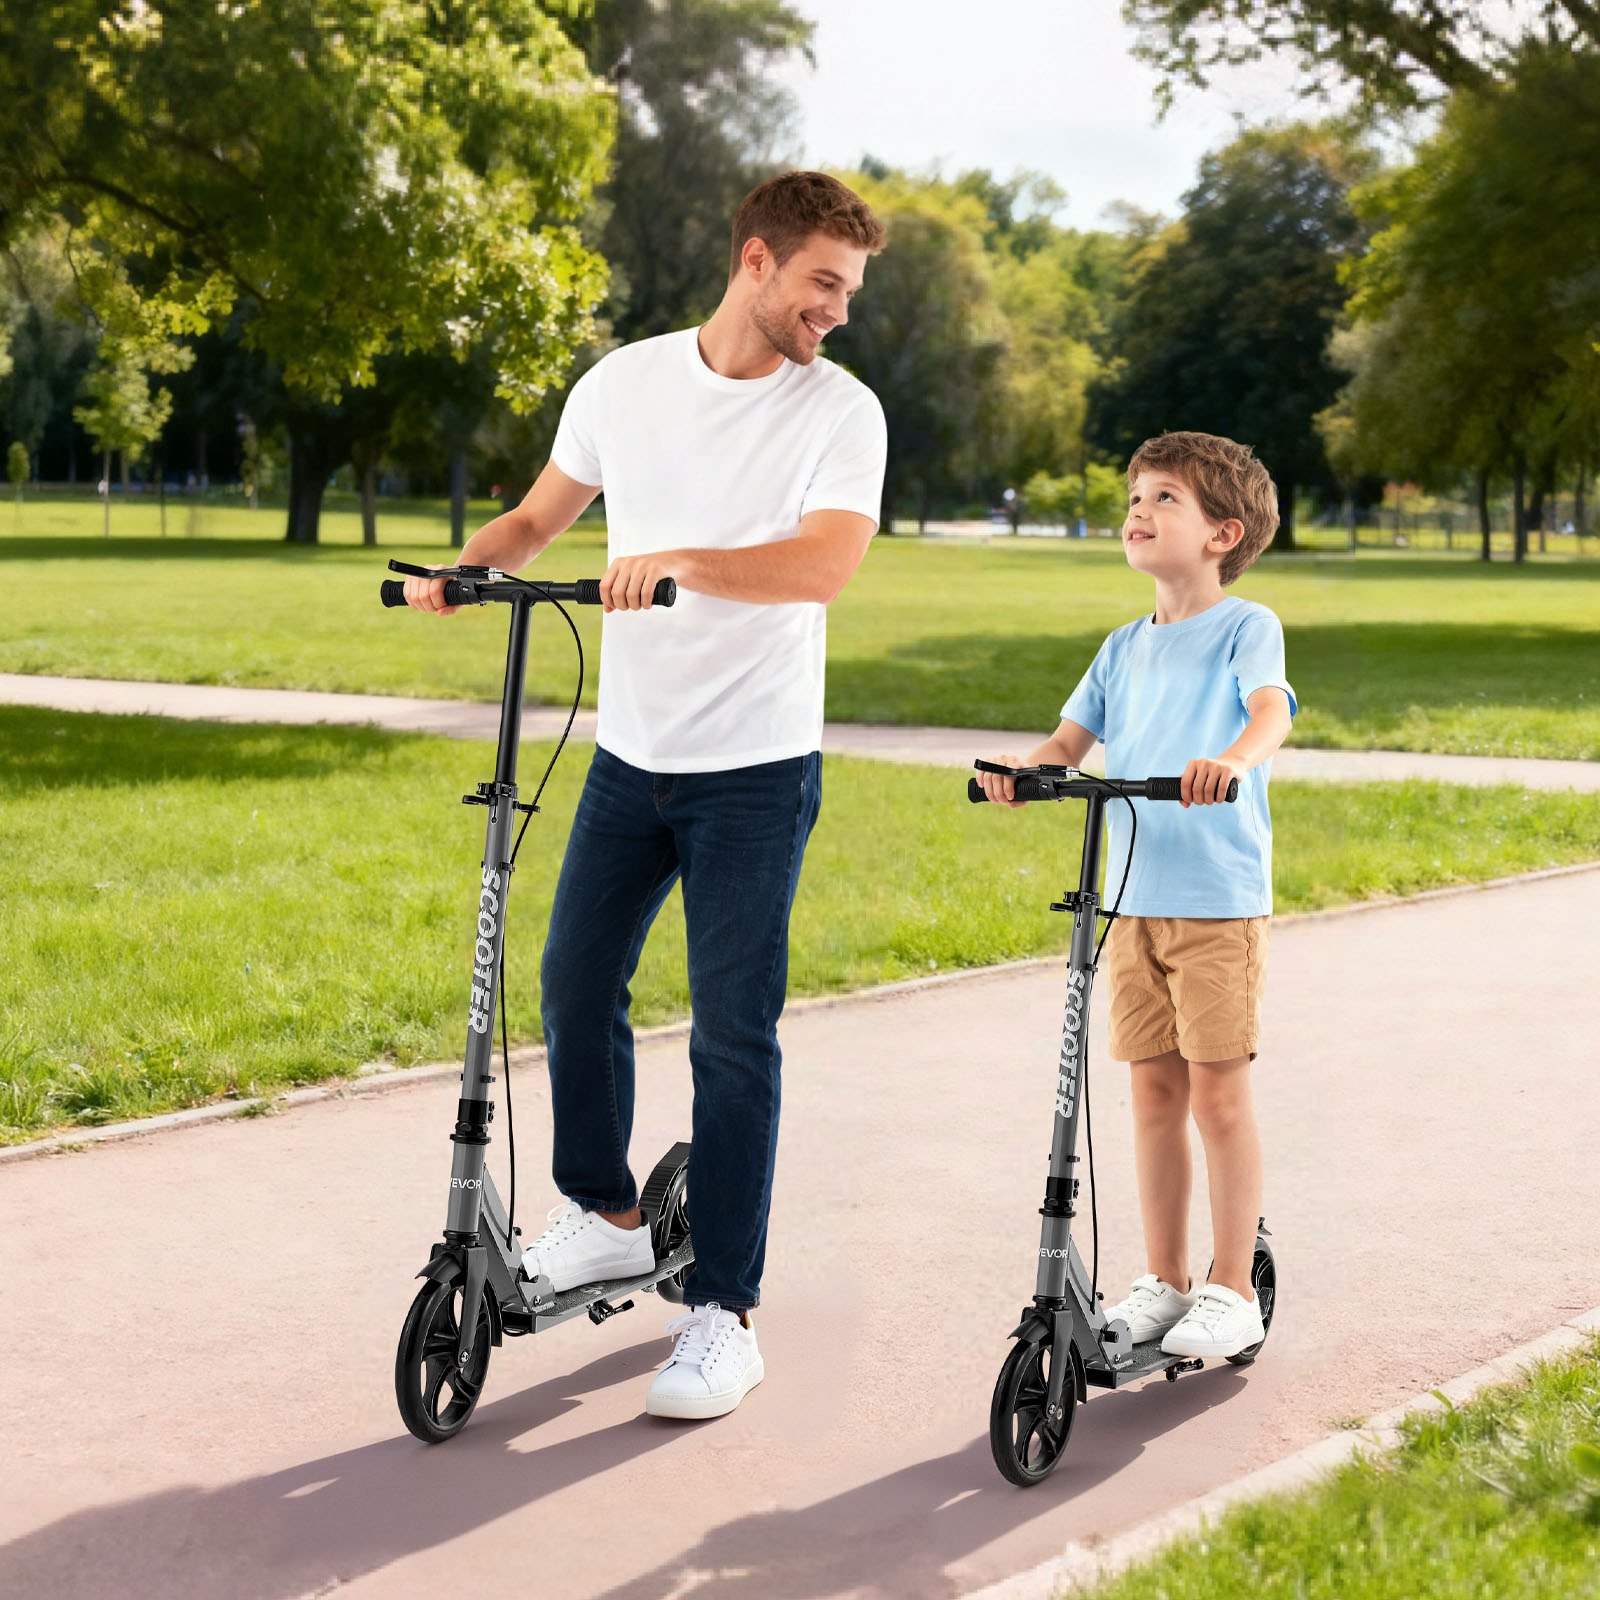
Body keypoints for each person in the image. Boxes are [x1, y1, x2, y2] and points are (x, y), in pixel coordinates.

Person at [403, 171, 887, 1420]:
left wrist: (679, 558)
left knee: (734, 1033)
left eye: (849, 290)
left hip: (757, 768)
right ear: (756, 260)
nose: (836, 310)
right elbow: (532, 518)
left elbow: (825, 565)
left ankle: (724, 1310)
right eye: (822, 283)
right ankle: (611, 1214)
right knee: (572, 982)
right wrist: (459, 573)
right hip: (632, 753)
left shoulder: (842, 411)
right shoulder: (623, 383)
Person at [976, 430, 1295, 1360]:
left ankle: (1233, 1289)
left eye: (1165, 499)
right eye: (1137, 496)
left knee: (1218, 1099)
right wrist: (1020, 771)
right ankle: (1165, 1279)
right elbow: (1067, 744)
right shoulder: (1121, 648)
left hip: (1216, 903)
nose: (1139, 512)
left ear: (1222, 533)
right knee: (1152, 1093)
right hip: (1129, 901)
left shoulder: (1246, 627)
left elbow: (1271, 709)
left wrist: (1231, 761)